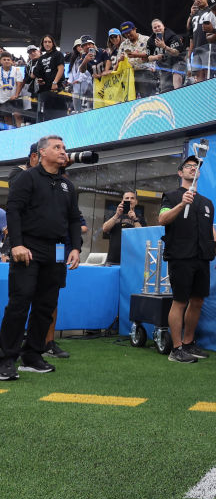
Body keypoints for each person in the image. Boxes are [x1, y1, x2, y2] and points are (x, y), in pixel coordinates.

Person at [0, 135, 82, 380]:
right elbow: (13, 211)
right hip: (29, 248)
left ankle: (33, 355)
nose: (63, 151)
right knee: (20, 302)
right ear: (42, 152)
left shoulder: (67, 185)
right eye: (57, 147)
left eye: (64, 148)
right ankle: (5, 358)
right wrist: (17, 244)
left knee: (46, 305)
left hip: (56, 250)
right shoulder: (28, 177)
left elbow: (74, 220)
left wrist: (75, 248)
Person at [158, 155, 216, 363]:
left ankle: (188, 343)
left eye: (196, 167)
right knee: (179, 301)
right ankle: (175, 349)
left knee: (197, 301)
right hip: (180, 256)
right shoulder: (170, 196)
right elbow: (162, 219)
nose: (193, 169)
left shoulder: (207, 203)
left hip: (202, 257)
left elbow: (210, 230)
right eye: (188, 166)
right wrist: (181, 204)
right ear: (180, 172)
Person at [101, 190, 146, 265]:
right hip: (113, 259)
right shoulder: (114, 215)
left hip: (132, 259)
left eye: (132, 198)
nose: (129, 200)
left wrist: (135, 219)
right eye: (127, 198)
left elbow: (142, 235)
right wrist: (117, 215)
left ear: (136, 202)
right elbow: (105, 228)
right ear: (122, 201)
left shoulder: (140, 218)